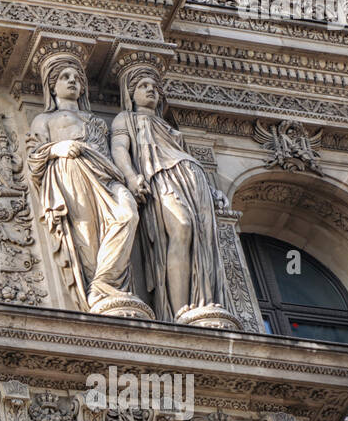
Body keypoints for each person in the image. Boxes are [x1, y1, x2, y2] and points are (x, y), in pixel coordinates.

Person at [25, 53, 144, 316]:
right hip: (73, 170)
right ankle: (99, 290)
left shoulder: (98, 121)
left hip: (107, 176)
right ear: (52, 86)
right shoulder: (44, 120)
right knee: (87, 236)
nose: (73, 81)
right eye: (65, 77)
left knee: (127, 215)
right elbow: (35, 156)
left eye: (77, 78)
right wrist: (58, 148)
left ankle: (106, 280)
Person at [111, 65, 230, 323]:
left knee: (199, 242)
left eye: (155, 87)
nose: (151, 90)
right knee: (181, 227)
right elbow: (120, 148)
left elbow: (186, 155)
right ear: (131, 93)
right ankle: (179, 310)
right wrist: (131, 177)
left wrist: (212, 190)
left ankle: (196, 304)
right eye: (143, 86)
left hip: (192, 178)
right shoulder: (125, 119)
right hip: (159, 177)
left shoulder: (169, 127)